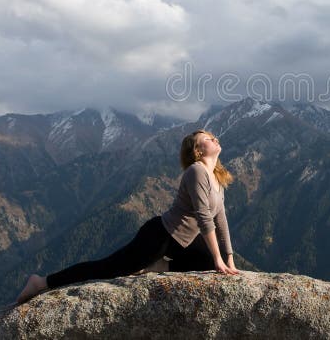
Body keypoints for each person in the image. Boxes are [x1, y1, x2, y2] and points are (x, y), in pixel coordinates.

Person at [16, 129, 240, 304]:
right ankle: (42, 282)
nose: (215, 139)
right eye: (208, 138)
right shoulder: (196, 171)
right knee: (107, 268)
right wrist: (219, 259)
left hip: (184, 240)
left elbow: (220, 219)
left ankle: (156, 266)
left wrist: (227, 258)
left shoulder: (216, 177)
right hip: (161, 236)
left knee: (210, 262)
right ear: (197, 151)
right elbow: (204, 217)